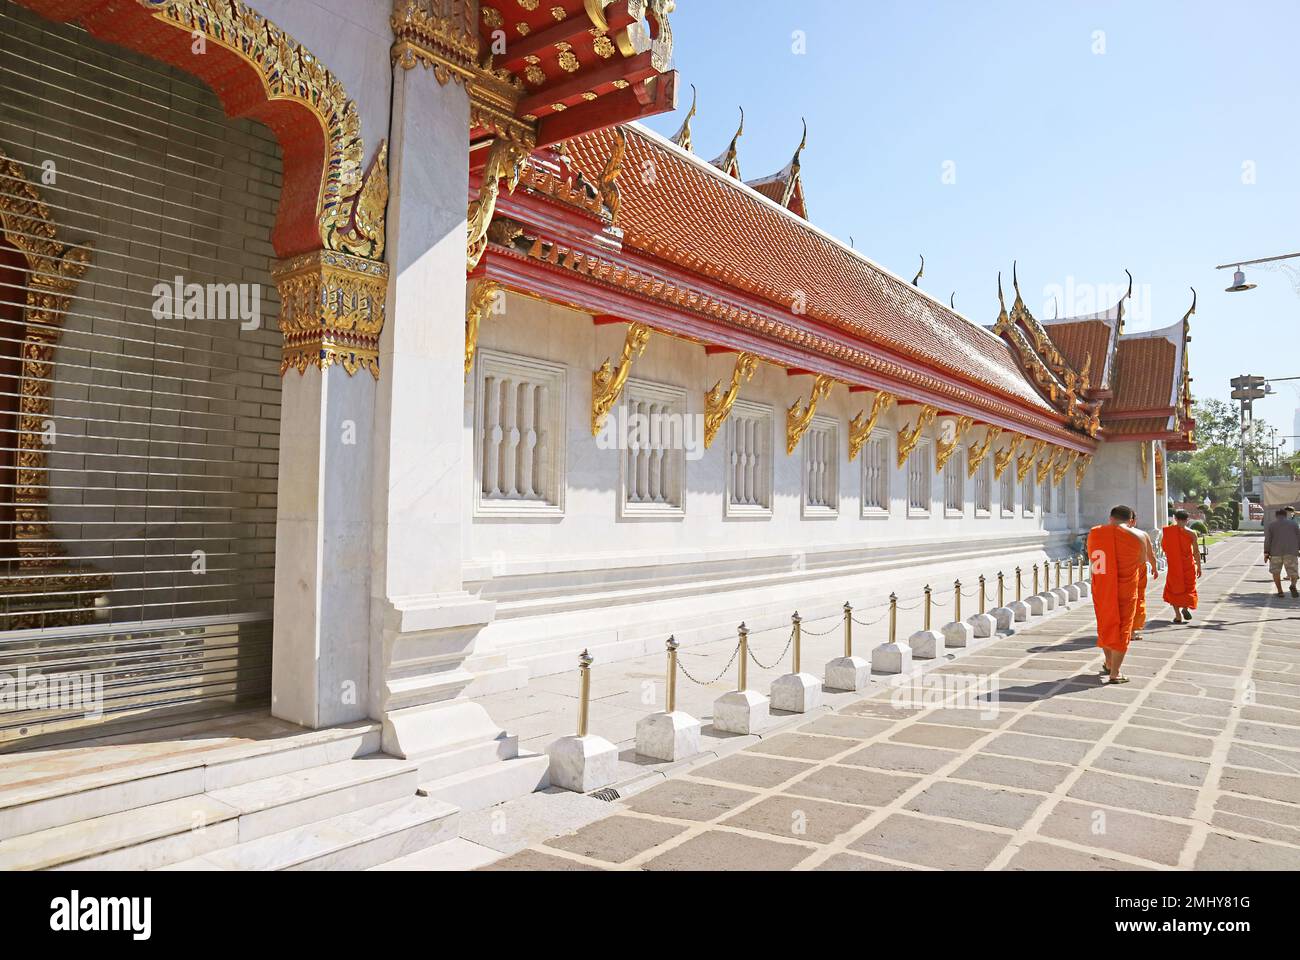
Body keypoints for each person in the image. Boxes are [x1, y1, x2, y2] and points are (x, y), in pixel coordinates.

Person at [1088, 505, 1145, 684]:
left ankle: (1109, 661)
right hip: (1126, 591)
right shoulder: (1137, 537)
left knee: (1106, 625)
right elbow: (1141, 561)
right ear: (1130, 520)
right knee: (1123, 628)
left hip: (1102, 588)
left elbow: (1092, 557)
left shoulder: (1095, 533)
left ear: (1110, 517)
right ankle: (1115, 672)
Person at [1161, 509, 1201, 622]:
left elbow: (1164, 547)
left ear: (1175, 519)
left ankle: (1178, 615)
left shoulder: (1169, 532)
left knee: (1174, 589)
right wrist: (1199, 566)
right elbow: (1196, 552)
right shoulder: (1192, 533)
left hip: (1174, 566)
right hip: (1188, 565)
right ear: (1187, 520)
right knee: (1188, 588)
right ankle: (1184, 607)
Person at [1125, 515, 1158, 640]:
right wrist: (1154, 568)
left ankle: (1122, 630)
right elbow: (1150, 554)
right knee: (1137, 599)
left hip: (1121, 571)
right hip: (1138, 570)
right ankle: (1132, 631)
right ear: (1133, 520)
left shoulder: (1114, 535)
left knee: (1122, 600)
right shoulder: (1142, 534)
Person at [1264, 507, 1300, 598]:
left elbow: (1268, 540)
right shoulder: (1294, 524)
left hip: (1275, 552)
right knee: (1293, 572)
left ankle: (1280, 591)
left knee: (1276, 572)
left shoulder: (1271, 525)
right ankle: (1293, 585)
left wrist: (1266, 552)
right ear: (1285, 515)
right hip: (1291, 552)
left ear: (1276, 516)